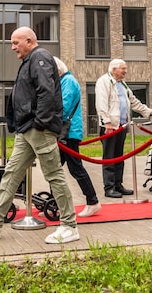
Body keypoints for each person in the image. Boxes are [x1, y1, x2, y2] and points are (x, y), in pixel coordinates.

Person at [0, 27, 80, 244]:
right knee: (11, 174)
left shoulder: (40, 58)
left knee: (54, 175)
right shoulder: (30, 61)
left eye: (16, 43)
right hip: (26, 129)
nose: (12, 47)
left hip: (38, 129)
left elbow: (46, 93)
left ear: (29, 40)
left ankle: (69, 226)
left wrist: (40, 124)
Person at [95, 58, 152, 198]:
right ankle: (109, 188)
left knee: (119, 157)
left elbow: (133, 102)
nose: (125, 71)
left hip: (121, 126)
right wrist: (107, 123)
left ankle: (118, 185)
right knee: (109, 158)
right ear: (114, 69)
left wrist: (147, 111)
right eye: (123, 68)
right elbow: (101, 104)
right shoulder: (104, 81)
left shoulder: (122, 84)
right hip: (110, 127)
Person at [53, 57, 101, 218]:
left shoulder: (68, 81)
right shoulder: (65, 81)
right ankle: (56, 203)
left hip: (68, 133)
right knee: (55, 169)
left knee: (75, 168)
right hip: (67, 132)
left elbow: (63, 107)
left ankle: (93, 201)